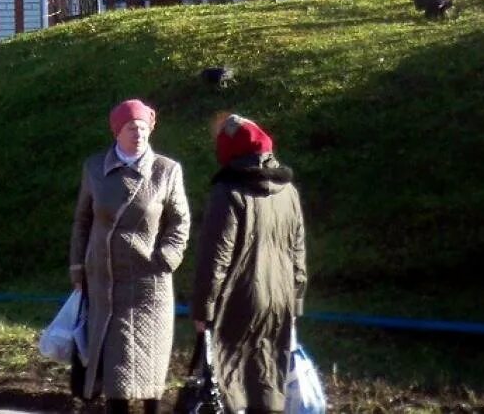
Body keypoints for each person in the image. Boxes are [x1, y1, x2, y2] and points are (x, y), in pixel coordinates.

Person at [69, 98, 192, 414]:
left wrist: (167, 257)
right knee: (114, 365)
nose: (138, 133)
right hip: (105, 281)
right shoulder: (95, 168)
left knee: (150, 365)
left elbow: (180, 220)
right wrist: (77, 265)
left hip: (148, 283)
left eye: (142, 127)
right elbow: (83, 219)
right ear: (116, 132)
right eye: (130, 128)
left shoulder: (166, 170)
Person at [190, 114, 308, 414]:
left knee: (228, 379)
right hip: (279, 299)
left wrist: (203, 309)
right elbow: (298, 251)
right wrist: (296, 300)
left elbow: (216, 257)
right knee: (267, 374)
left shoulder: (227, 193)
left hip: (238, 300)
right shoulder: (289, 191)